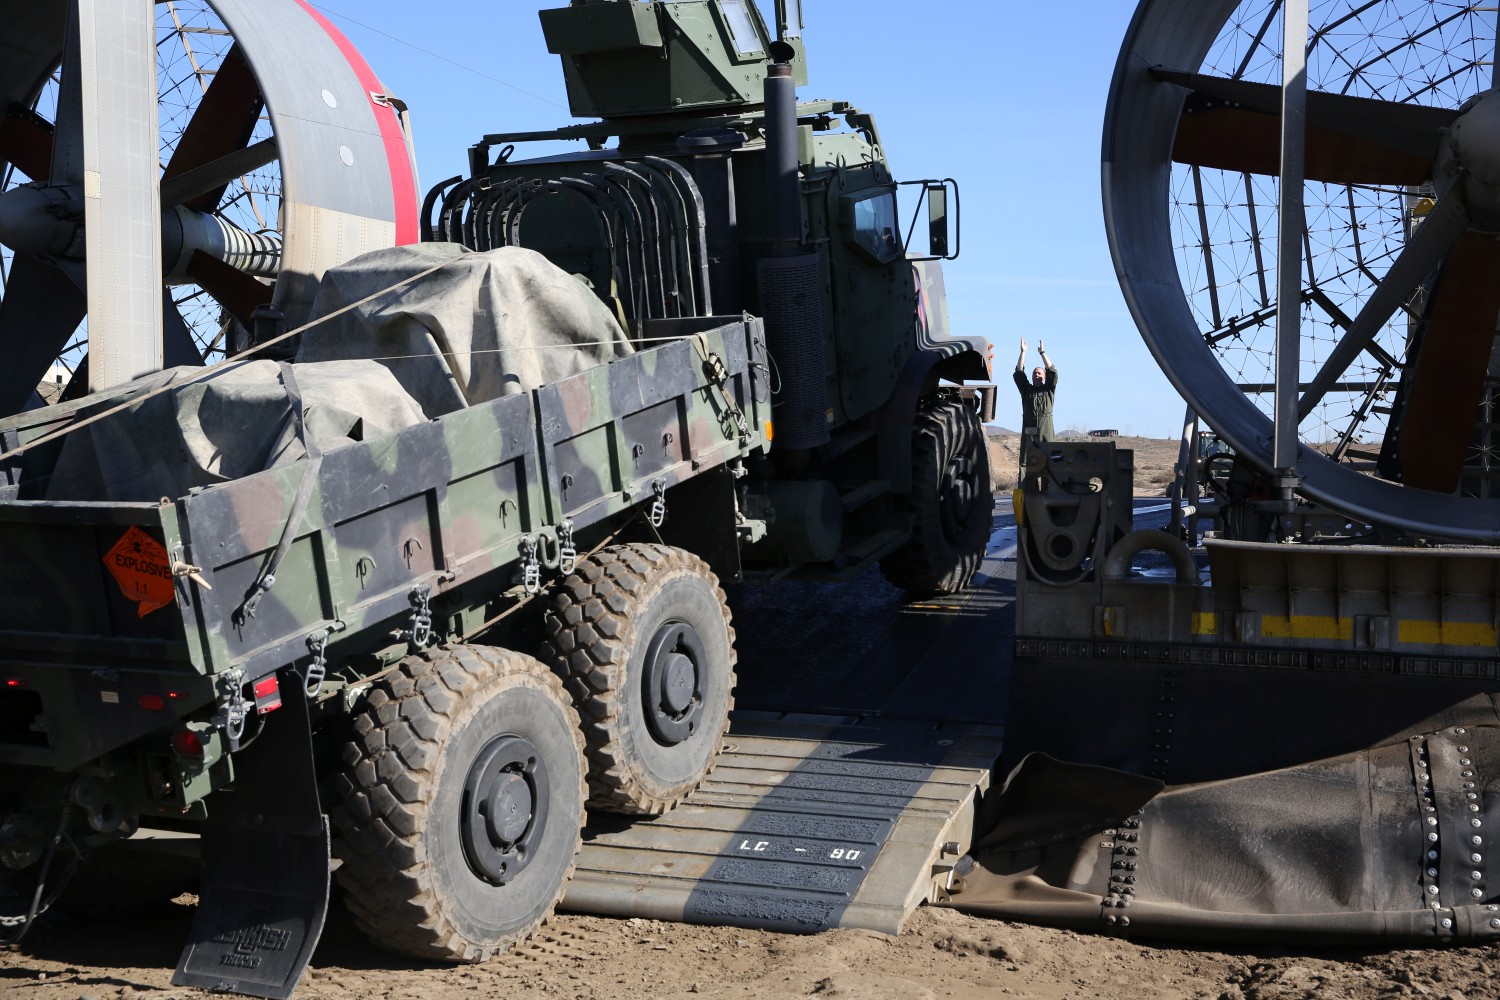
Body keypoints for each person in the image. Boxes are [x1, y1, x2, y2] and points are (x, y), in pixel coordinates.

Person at [1013, 337, 1058, 444]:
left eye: (1039, 373)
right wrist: (1023, 352)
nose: (1036, 374)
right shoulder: (1026, 390)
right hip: (1029, 438)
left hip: (1046, 435)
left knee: (1049, 459)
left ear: (1045, 377)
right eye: (1034, 373)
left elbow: (1052, 371)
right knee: (1027, 459)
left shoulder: (1049, 390)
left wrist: (1042, 352)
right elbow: (1019, 373)